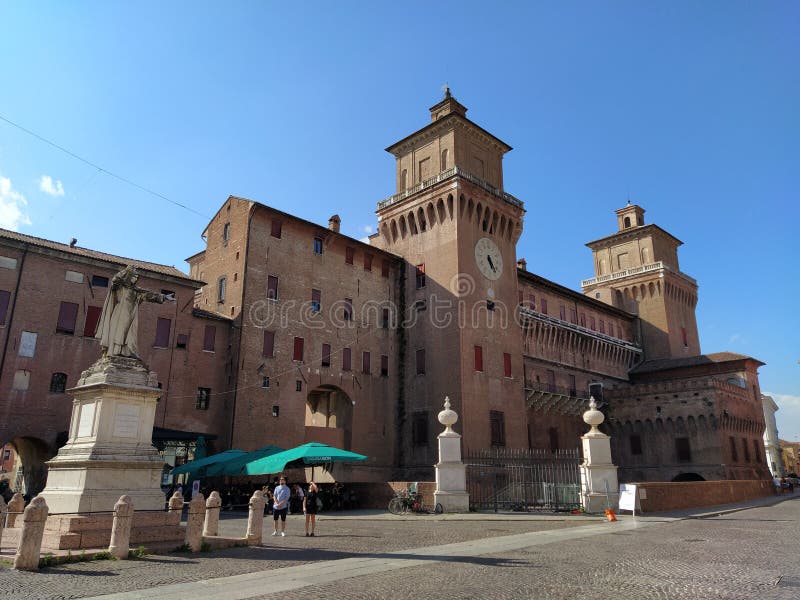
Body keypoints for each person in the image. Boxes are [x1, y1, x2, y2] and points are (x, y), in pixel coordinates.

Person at [95, 265, 174, 358]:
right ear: (129, 276)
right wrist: (126, 270)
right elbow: (115, 280)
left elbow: (149, 296)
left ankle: (125, 352)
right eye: (133, 276)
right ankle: (113, 352)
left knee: (129, 334)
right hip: (118, 314)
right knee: (117, 332)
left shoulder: (136, 291)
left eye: (136, 277)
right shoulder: (120, 287)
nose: (135, 279)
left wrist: (164, 297)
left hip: (131, 316)